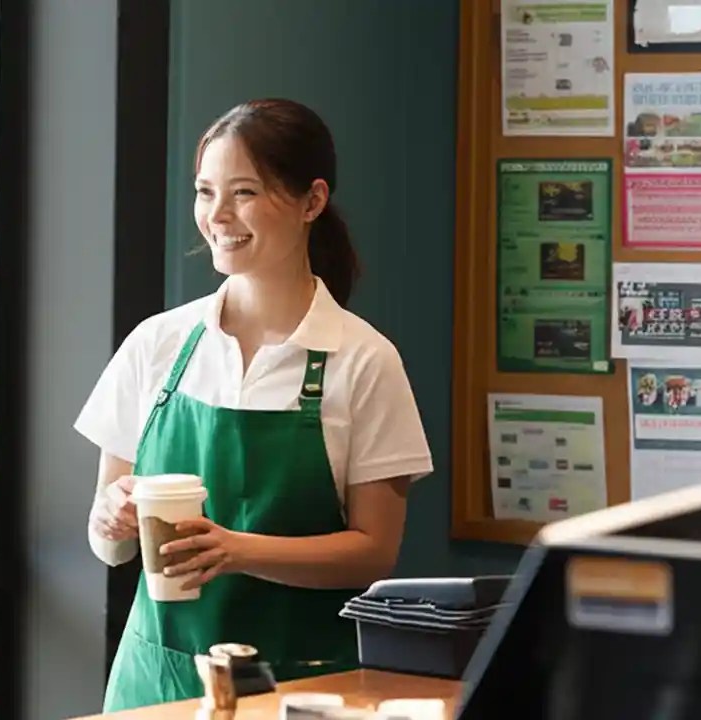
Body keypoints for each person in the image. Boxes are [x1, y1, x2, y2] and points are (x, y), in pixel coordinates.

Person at [75, 98, 434, 711]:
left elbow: (373, 551)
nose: (217, 215)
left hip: (303, 687)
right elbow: (110, 546)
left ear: (312, 202)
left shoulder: (364, 361)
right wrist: (111, 519)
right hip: (156, 683)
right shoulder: (158, 344)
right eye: (204, 191)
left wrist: (235, 549)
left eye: (243, 192)